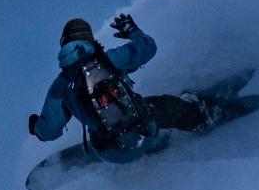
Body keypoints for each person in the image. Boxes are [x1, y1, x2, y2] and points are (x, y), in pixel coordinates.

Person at [28, 14, 218, 163]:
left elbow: (49, 131)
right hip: (146, 133)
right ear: (89, 40)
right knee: (161, 105)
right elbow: (148, 48)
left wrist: (36, 127)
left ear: (64, 43)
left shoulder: (60, 87)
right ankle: (202, 118)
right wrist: (132, 31)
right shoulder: (110, 60)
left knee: (101, 131)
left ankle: (113, 141)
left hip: (110, 153)